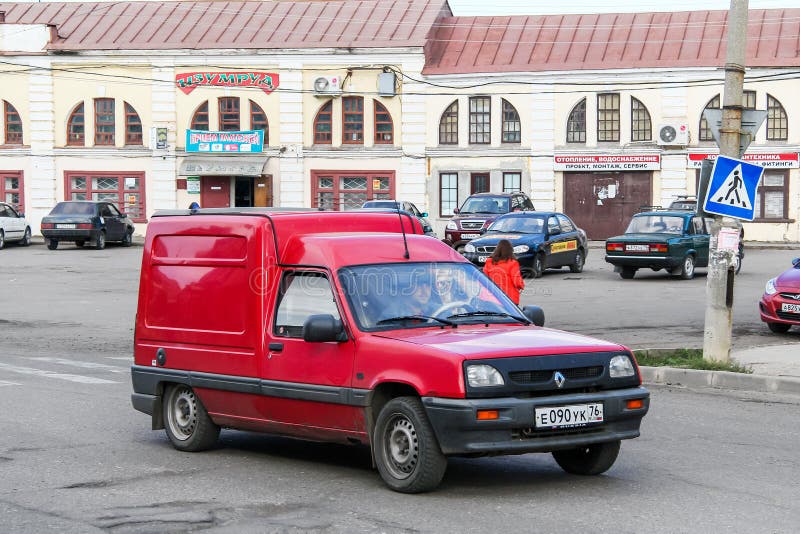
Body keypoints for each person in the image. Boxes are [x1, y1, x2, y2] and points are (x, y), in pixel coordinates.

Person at [483, 239, 525, 305]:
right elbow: (517, 281)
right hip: (508, 298)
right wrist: (521, 285)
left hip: (491, 297)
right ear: (510, 250)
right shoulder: (513, 263)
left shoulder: (489, 261)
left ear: (497, 249)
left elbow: (484, 278)